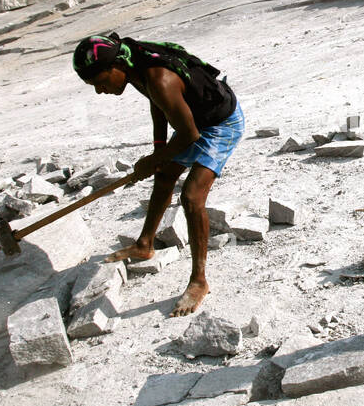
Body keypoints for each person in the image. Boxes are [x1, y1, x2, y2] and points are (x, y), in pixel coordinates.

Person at [73, 33, 244, 316]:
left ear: (115, 65)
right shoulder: (136, 65)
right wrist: (158, 151)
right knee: (164, 176)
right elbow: (159, 106)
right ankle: (144, 244)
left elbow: (189, 134)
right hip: (195, 119)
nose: (100, 91)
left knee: (191, 198)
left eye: (100, 82)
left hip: (221, 124)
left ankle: (199, 281)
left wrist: (152, 160)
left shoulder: (159, 78)